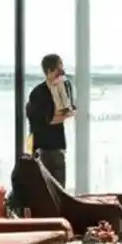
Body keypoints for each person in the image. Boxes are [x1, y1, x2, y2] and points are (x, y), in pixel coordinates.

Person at [26, 53, 75, 189]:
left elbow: (70, 110)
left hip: (58, 146)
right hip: (42, 148)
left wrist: (61, 114)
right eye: (58, 69)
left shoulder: (63, 88)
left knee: (60, 189)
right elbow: (49, 119)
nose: (61, 72)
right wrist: (60, 115)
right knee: (44, 190)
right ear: (48, 71)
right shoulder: (38, 93)